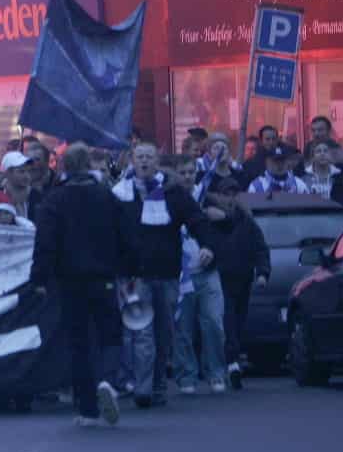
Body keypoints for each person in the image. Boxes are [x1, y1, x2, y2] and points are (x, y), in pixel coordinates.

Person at [112, 142, 216, 408]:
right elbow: (106, 229)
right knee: (141, 331)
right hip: (133, 275)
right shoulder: (120, 194)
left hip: (168, 274)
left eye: (149, 157)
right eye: (139, 157)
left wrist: (206, 245)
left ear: (157, 161)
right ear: (132, 161)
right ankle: (143, 389)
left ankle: (158, 386)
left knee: (164, 333)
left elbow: (197, 220)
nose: (144, 161)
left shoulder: (173, 193)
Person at [30, 143, 128, 427]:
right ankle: (108, 380)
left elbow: (44, 241)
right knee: (110, 334)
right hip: (103, 278)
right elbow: (124, 234)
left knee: (79, 342)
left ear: (63, 166)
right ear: (88, 165)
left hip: (69, 281)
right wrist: (129, 268)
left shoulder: (54, 200)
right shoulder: (106, 197)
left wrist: (39, 278)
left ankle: (87, 410)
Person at [205, 178, 270, 390]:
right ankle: (231, 363)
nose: (230, 198)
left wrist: (263, 273)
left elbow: (260, 248)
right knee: (227, 321)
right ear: (218, 195)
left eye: (233, 194)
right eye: (226, 194)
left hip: (243, 279)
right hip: (219, 278)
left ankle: (231, 359)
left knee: (238, 322)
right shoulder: (210, 217)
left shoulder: (246, 220)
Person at [171, 160, 227, 395]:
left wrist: (224, 217)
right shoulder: (169, 199)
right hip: (182, 274)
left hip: (207, 272)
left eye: (190, 171)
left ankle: (216, 373)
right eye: (182, 172)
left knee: (213, 322)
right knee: (183, 329)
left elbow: (232, 224)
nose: (186, 176)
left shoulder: (209, 198)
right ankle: (186, 376)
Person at [301, 141, 343, 213]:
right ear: (313, 156)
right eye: (318, 151)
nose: (322, 154)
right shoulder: (304, 178)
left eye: (325, 151)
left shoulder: (342, 177)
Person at [0, 151, 43, 222]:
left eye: (29, 171)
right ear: (8, 173)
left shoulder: (36, 196)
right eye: (21, 171)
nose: (27, 176)